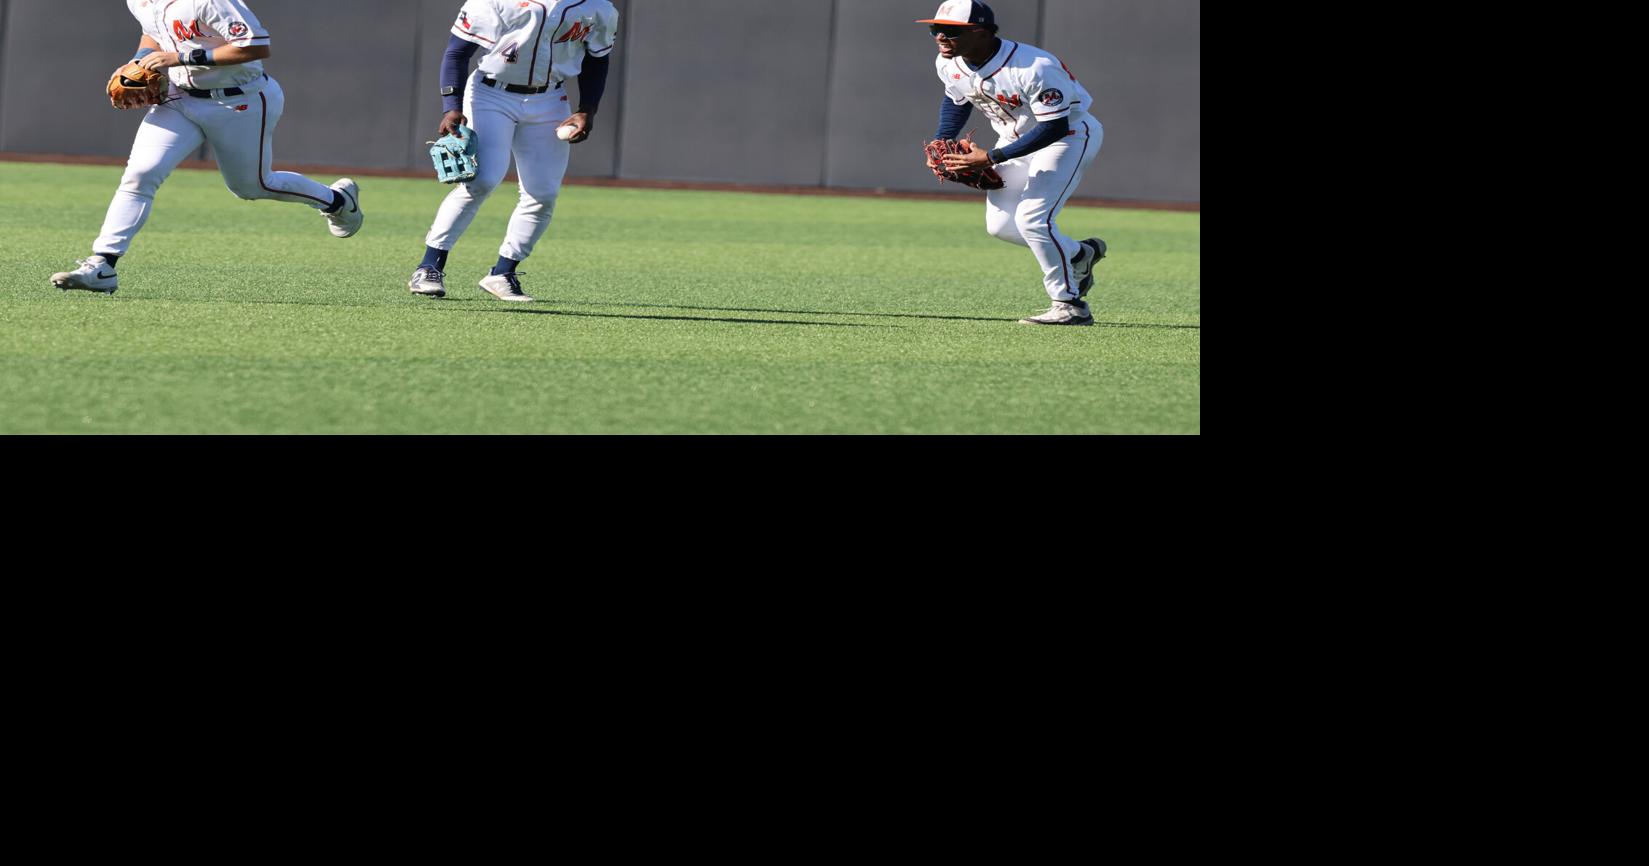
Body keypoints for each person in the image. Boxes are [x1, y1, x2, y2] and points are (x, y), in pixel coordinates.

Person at [51, 0, 363, 295]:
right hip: (179, 97)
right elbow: (153, 32)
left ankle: (336, 201)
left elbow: (255, 46)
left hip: (240, 100)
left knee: (253, 186)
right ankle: (103, 266)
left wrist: (182, 57)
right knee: (140, 174)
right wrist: (139, 59)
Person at [408, 0, 619, 302]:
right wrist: (451, 106)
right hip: (490, 94)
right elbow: (457, 51)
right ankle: (429, 266)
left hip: (550, 98)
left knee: (543, 194)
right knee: (481, 180)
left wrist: (588, 109)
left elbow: (598, 60)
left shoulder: (599, 8)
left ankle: (503, 272)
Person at [918, 0, 1106, 326]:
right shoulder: (949, 62)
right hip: (1014, 140)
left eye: (949, 31)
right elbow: (956, 97)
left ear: (979, 31)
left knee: (1033, 220)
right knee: (1002, 227)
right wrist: (943, 138)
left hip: (1067, 136)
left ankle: (1070, 305)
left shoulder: (1034, 66)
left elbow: (1054, 126)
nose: (939, 37)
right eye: (936, 30)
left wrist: (991, 158)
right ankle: (1077, 254)